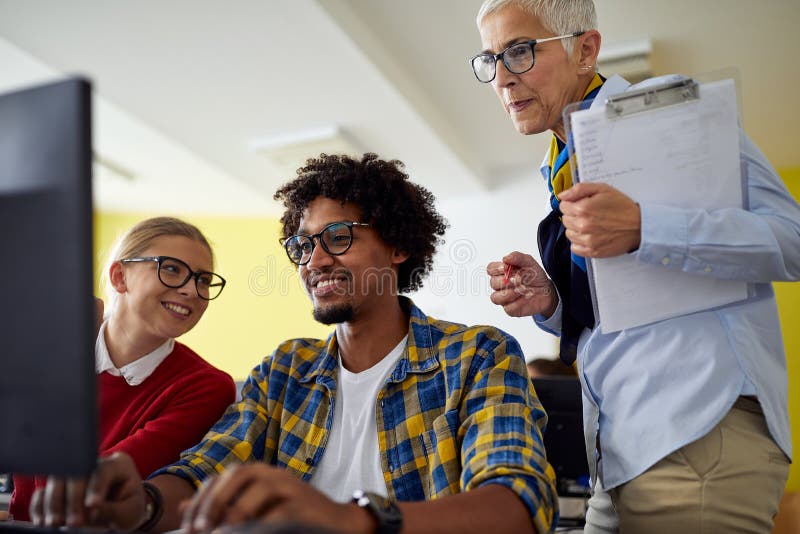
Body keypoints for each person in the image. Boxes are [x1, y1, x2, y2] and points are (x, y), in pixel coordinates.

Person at [33, 154, 557, 534]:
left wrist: (349, 518)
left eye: (338, 237)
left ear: (397, 245)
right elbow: (203, 469)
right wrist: (141, 503)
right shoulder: (287, 370)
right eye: (303, 245)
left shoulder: (475, 356)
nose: (315, 260)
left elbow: (517, 502)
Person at [472, 0, 800, 532]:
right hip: (615, 456)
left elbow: (792, 238)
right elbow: (623, 308)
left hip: (695, 436)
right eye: (490, 60)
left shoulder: (668, 113)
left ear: (586, 50)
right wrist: (553, 302)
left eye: (520, 51)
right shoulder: (559, 162)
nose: (503, 78)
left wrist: (647, 228)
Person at [11, 217, 236, 521]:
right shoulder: (48, 349)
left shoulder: (206, 386)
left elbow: (86, 490)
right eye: (171, 269)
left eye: (203, 280)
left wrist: (60, 378)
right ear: (119, 276)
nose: (192, 291)